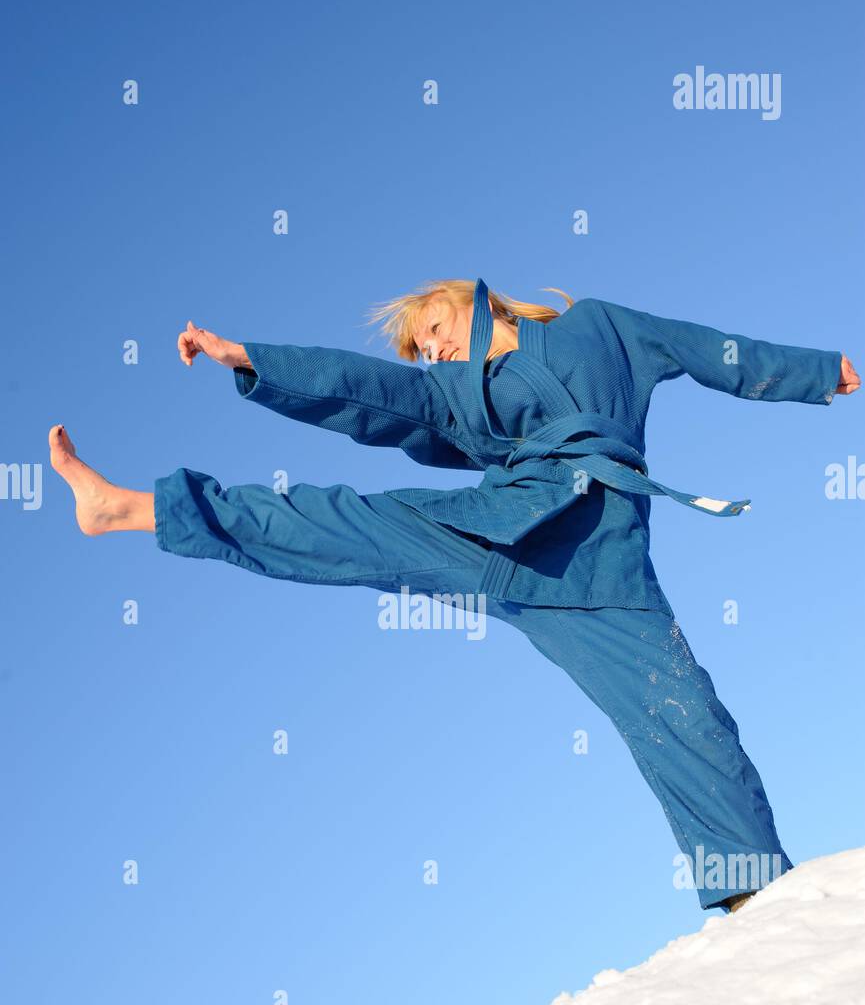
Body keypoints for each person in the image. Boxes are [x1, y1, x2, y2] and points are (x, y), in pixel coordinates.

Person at [48, 277, 860, 915]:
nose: (430, 350)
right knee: (335, 520)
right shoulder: (459, 399)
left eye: (430, 329)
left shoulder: (600, 329)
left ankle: (756, 903)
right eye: (422, 348)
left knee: (687, 715)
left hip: (601, 574)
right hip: (490, 537)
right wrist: (255, 362)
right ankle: (128, 507)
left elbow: (707, 349)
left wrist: (818, 372)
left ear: (468, 300)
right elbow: (374, 397)